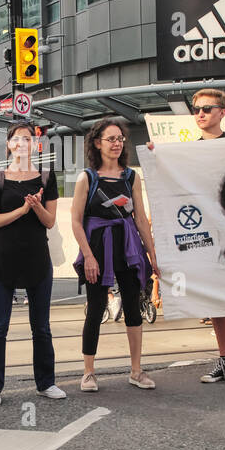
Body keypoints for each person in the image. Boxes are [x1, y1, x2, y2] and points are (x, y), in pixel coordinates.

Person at [148, 89, 225, 383]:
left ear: (223, 113)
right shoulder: (189, 151)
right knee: (214, 302)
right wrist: (156, 157)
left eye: (207, 108)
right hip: (205, 237)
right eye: (196, 109)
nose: (200, 113)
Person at [71, 118, 159, 392]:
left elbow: (141, 219)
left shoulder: (131, 177)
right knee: (96, 307)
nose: (117, 143)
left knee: (134, 306)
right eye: (111, 139)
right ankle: (88, 372)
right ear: (97, 143)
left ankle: (136, 370)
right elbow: (76, 221)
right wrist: (89, 256)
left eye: (120, 139)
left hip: (128, 244)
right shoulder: (88, 177)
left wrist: (153, 256)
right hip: (97, 245)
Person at [0, 120, 63, 403]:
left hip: (37, 260)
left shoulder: (45, 177)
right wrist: (23, 209)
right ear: (8, 144)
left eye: (26, 139)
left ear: (34, 144)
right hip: (3, 259)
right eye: (16, 139)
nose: (21, 144)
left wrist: (37, 207)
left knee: (41, 326)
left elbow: (50, 222)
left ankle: (46, 383)